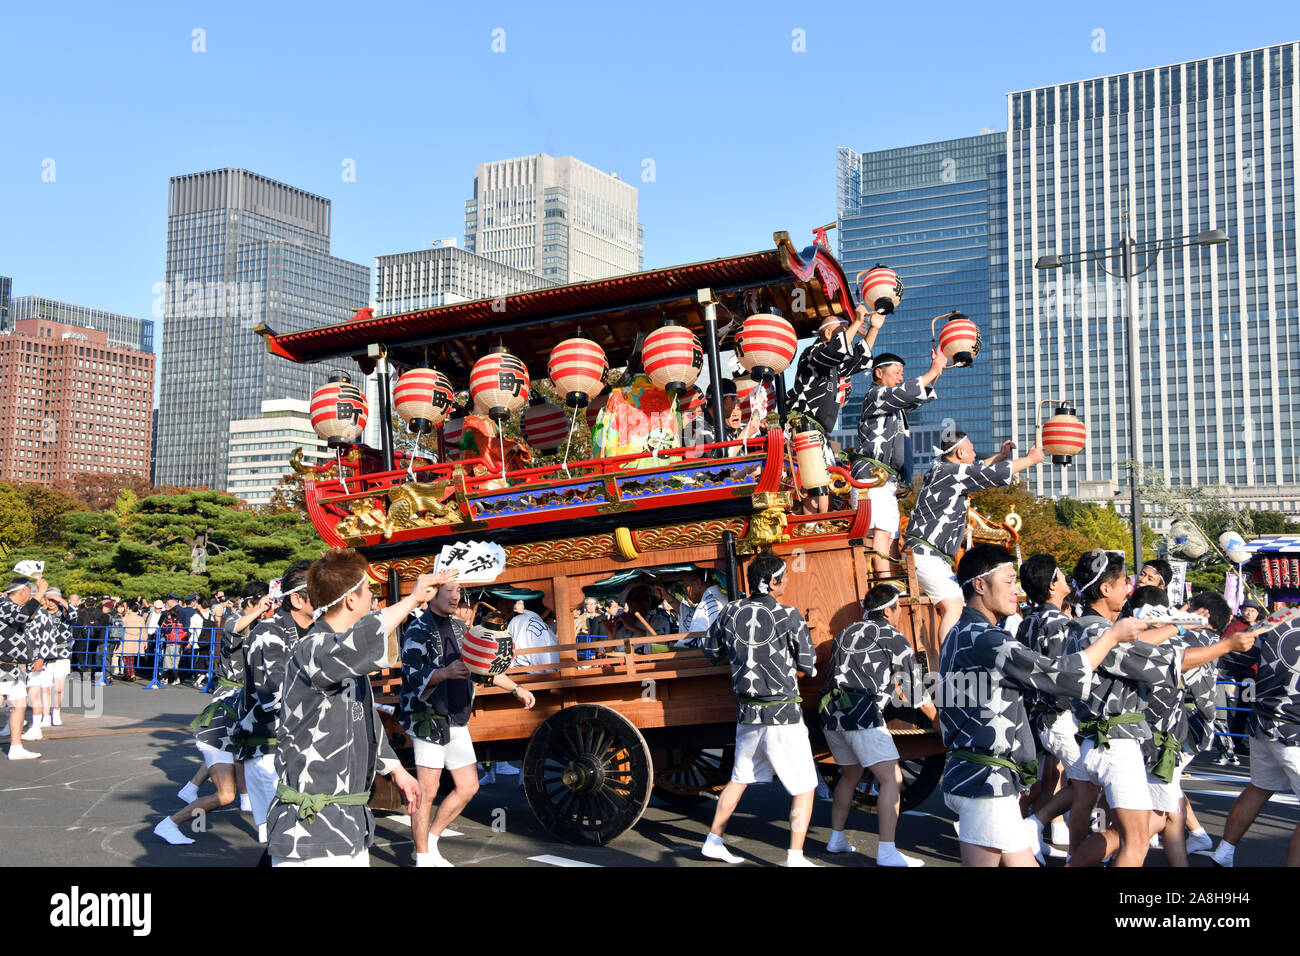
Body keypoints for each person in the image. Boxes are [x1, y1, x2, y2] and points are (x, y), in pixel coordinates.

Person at [938, 545, 1151, 867]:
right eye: (1009, 581)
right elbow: (1059, 676)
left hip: (981, 776)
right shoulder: (987, 639)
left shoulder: (960, 633)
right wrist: (1111, 637)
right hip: (985, 780)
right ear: (980, 585)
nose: (1017, 590)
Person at [265, 552, 437, 866]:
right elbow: (359, 641)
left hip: (348, 824)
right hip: (310, 828)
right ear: (350, 601)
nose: (374, 599)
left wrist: (398, 771)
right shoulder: (312, 649)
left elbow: (365, 719)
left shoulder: (344, 660)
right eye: (369, 591)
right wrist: (413, 599)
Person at [1064, 551, 1189, 868]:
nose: (1129, 587)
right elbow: (1160, 663)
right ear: (1105, 589)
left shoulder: (1089, 627)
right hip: (1115, 742)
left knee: (1120, 832)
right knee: (1137, 842)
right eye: (1123, 582)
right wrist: (1221, 644)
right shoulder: (1099, 632)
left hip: (1102, 740)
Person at [399, 577, 535, 866]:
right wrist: (445, 673)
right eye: (450, 591)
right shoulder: (417, 629)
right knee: (429, 789)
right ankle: (422, 856)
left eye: (458, 591)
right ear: (432, 594)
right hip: (428, 719)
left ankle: (432, 841)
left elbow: (482, 667)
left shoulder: (463, 629)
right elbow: (413, 676)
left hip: (458, 716)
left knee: (469, 786)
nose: (455, 597)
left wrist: (516, 689)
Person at [698, 554, 820, 866]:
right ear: (775, 582)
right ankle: (795, 856)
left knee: (738, 778)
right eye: (785, 578)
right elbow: (808, 664)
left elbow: (710, 650)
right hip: (784, 716)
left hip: (748, 713)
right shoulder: (788, 614)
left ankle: (713, 841)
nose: (787, 583)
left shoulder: (730, 610)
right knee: (805, 786)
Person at [820, 584, 936, 865]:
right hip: (860, 712)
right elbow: (914, 691)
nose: (899, 614)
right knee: (892, 779)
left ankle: (836, 840)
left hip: (829, 712)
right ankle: (887, 851)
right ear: (888, 610)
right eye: (899, 609)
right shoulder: (893, 637)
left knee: (850, 775)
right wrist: (938, 720)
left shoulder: (846, 632)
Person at [153, 585, 270, 845]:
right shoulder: (233, 621)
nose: (267, 608)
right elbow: (235, 627)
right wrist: (261, 610)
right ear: (252, 603)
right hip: (219, 724)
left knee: (255, 765)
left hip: (238, 721)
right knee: (226, 794)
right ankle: (170, 823)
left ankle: (260, 821)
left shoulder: (263, 630)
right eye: (262, 603)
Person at [904, 430, 1044, 644]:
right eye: (972, 450)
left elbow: (977, 471)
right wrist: (1031, 460)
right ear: (960, 452)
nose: (975, 453)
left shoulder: (943, 469)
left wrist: (1000, 458)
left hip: (929, 554)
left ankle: (945, 657)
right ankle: (949, 661)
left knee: (956, 603)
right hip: (925, 553)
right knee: (955, 604)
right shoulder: (949, 472)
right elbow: (988, 475)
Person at [1211, 607, 1300, 867]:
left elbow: (1233, 657)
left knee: (1259, 788)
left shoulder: (1277, 619)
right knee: (1259, 789)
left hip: (1263, 721)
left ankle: (1223, 854)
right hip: (1294, 730)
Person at [234, 561, 315, 844]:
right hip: (269, 745)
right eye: (320, 590)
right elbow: (274, 692)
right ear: (296, 599)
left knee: (301, 838)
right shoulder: (268, 631)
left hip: (304, 745)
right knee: (280, 837)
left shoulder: (321, 631)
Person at [849, 347, 945, 577]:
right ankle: (881, 584)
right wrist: (933, 369)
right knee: (878, 532)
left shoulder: (894, 403)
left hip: (886, 479)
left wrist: (938, 369)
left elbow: (917, 394)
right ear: (878, 373)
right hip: (871, 474)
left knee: (892, 535)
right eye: (897, 372)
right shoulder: (876, 395)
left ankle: (890, 578)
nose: (901, 377)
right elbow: (905, 392)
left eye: (903, 373)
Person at [786, 306, 883, 513]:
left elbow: (860, 359)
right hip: (804, 425)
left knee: (825, 479)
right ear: (828, 333)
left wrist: (874, 328)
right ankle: (818, 526)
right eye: (844, 330)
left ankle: (824, 519)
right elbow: (835, 351)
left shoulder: (834, 365)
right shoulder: (813, 352)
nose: (851, 335)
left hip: (819, 430)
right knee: (816, 482)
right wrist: (856, 322)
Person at [1015, 554, 1081, 852]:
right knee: (1086, 782)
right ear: (1052, 584)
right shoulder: (1059, 622)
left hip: (1031, 711)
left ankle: (1025, 840)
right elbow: (1061, 675)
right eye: (1061, 574)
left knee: (1040, 781)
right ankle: (1026, 834)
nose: (1066, 578)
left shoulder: (1028, 619)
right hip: (1056, 713)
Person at [1, 577, 46, 759]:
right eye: (30, 591)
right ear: (22, 591)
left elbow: (26, 614)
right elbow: (23, 615)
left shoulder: (15, 608)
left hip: (15, 666)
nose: (32, 594)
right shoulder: (4, 605)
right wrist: (41, 592)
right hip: (2, 664)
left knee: (20, 704)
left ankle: (16, 747)